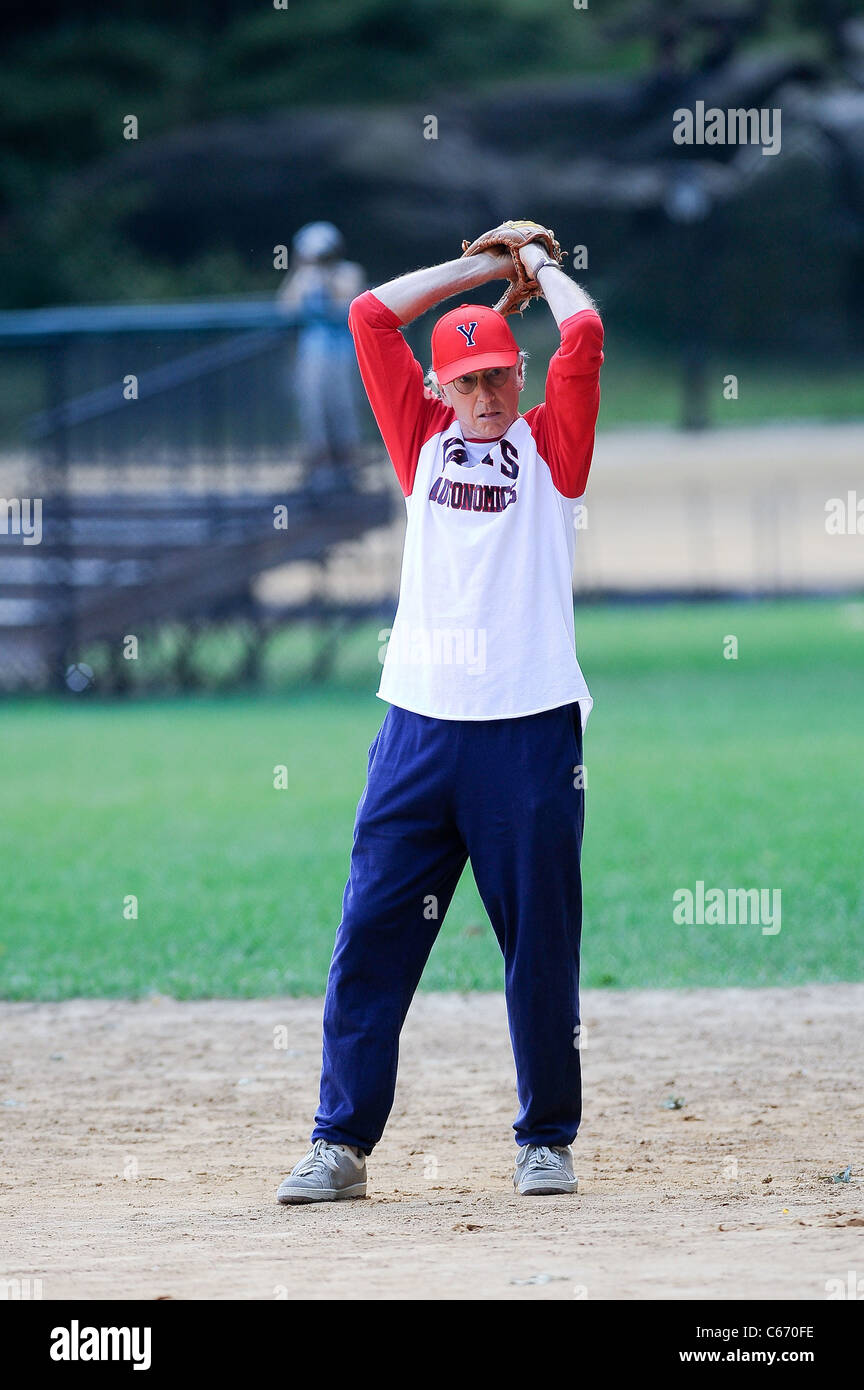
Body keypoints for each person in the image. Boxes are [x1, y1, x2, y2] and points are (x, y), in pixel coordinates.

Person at [276, 229, 604, 1202]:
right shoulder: (419, 439)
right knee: (372, 934)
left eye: (500, 376)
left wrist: (536, 268)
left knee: (540, 943)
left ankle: (546, 1137)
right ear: (441, 386)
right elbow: (370, 316)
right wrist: (480, 266)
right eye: (469, 381)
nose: (489, 396)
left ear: (517, 371)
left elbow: (585, 335)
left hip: (530, 727)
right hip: (419, 728)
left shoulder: (552, 449)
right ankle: (339, 1142)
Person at [278, 221, 365, 492]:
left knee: (343, 407)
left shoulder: (348, 272)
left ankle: (349, 467)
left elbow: (346, 301)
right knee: (312, 407)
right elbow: (285, 308)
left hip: (342, 352)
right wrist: (303, 274)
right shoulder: (303, 277)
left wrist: (326, 275)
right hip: (311, 352)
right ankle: (320, 465)